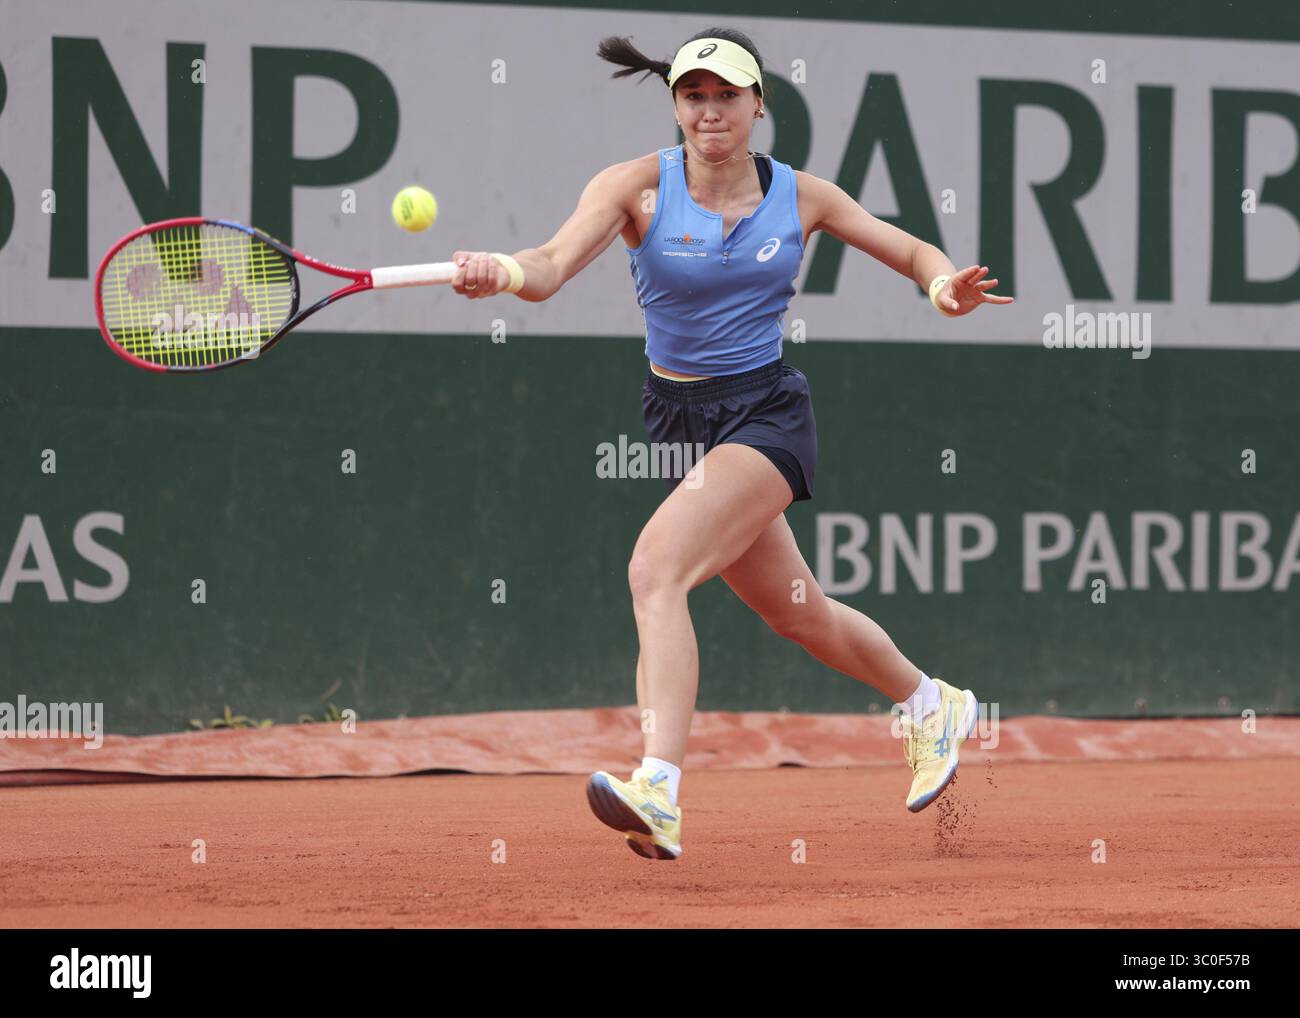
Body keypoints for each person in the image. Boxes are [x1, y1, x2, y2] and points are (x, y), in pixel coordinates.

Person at [449, 27, 1014, 860]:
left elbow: (911, 248)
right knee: (804, 616)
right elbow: (549, 264)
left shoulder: (804, 195)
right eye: (693, 96)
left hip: (766, 416)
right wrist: (500, 268)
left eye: (726, 96)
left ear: (758, 103)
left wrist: (941, 285)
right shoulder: (635, 187)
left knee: (655, 570)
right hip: (681, 422)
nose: (709, 111)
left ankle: (660, 790)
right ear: (676, 104)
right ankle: (935, 704)